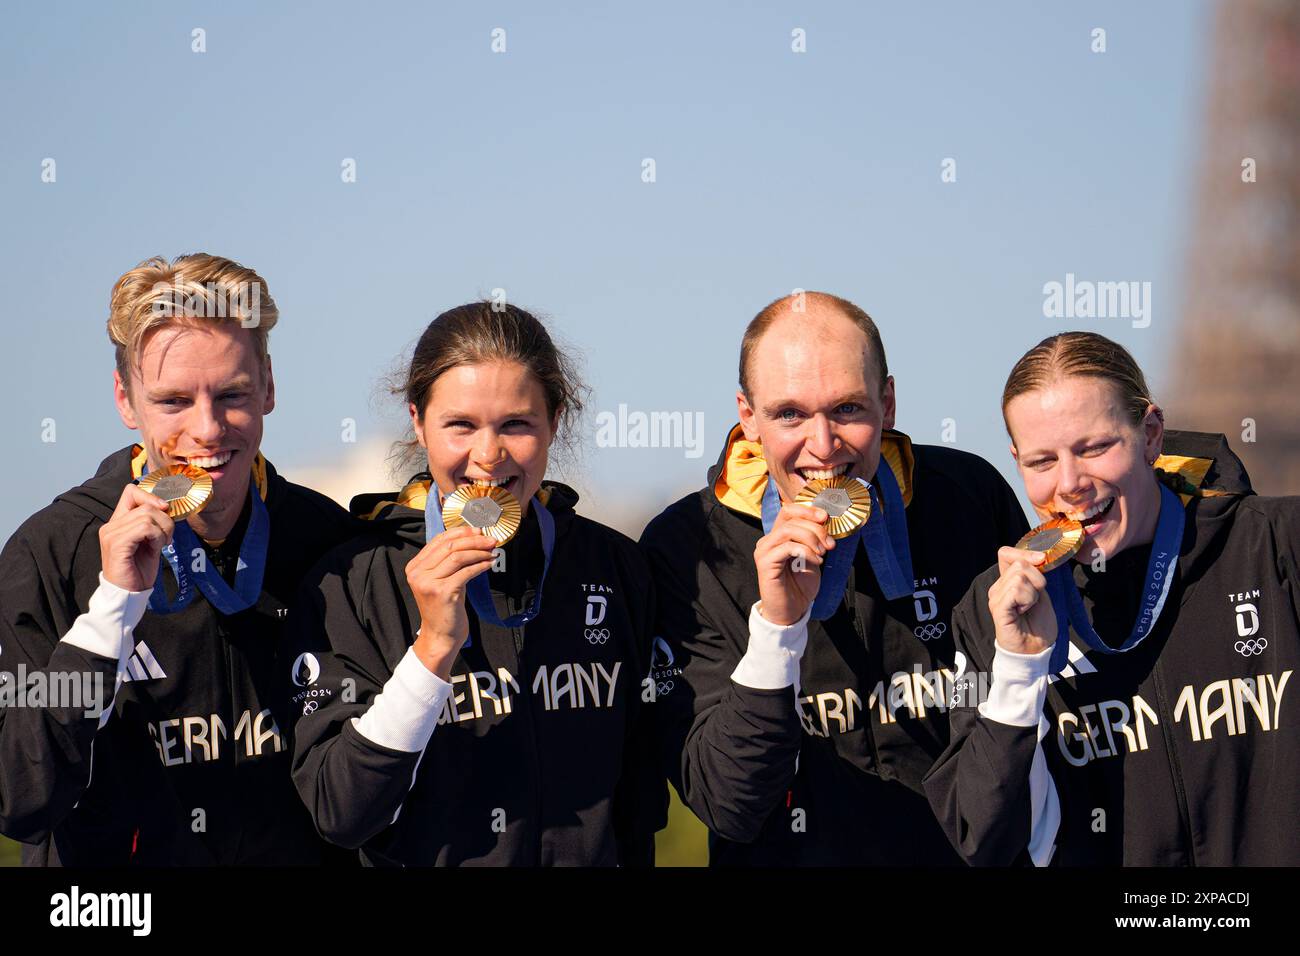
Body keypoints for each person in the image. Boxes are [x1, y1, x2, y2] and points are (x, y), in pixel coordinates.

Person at [640, 291, 1029, 865]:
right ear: (748, 417)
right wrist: (777, 629)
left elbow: (1036, 731)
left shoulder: (969, 496)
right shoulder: (688, 547)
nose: (822, 447)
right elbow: (730, 806)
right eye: (790, 414)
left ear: (888, 402)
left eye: (847, 409)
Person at [0, 254, 355, 865]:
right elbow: (20, 799)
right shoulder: (51, 552)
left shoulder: (332, 543)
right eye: (172, 401)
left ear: (269, 384)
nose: (208, 428)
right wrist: (109, 612)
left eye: (233, 394)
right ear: (125, 399)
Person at [289, 302, 664, 866]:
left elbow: (639, 813)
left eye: (516, 424)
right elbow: (342, 813)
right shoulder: (352, 582)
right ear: (417, 422)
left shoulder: (614, 567)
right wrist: (431, 650)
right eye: (460, 425)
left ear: (555, 420)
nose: (488, 457)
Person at [924, 331, 1300, 865]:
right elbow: (984, 840)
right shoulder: (993, 609)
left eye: (1095, 448)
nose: (1071, 482)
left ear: (1150, 434)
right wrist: (1018, 669)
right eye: (1041, 462)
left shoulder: (1274, 547)